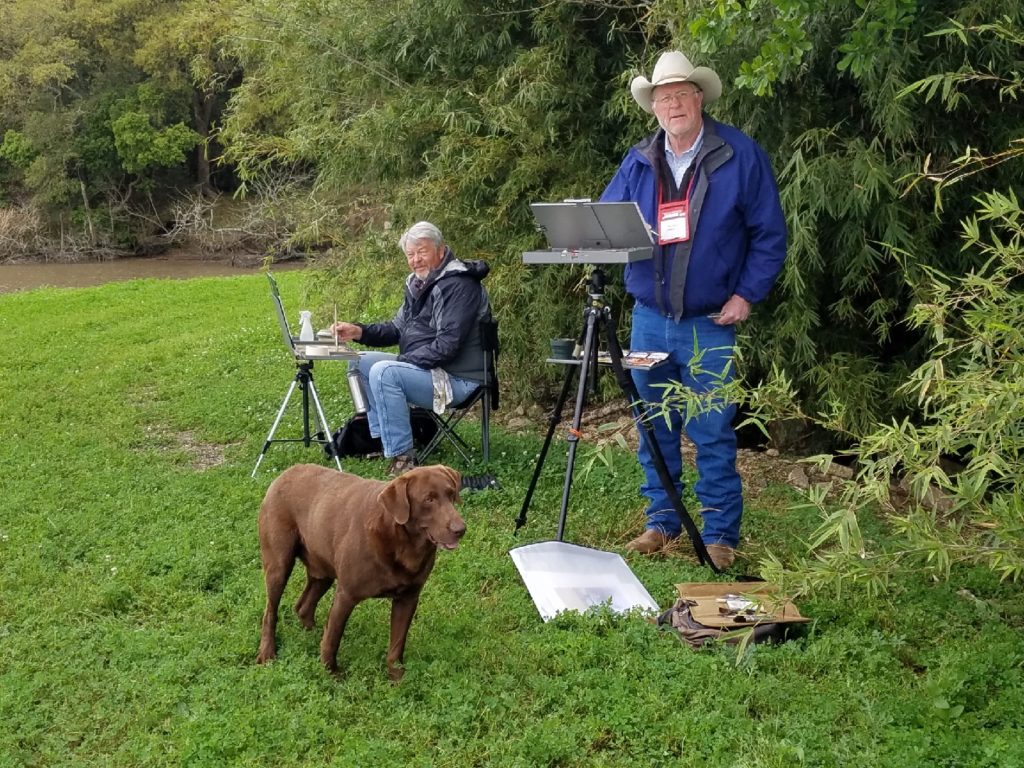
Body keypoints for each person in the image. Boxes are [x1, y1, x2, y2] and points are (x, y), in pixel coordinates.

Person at [600, 51, 787, 568]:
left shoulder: (739, 154)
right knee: (653, 426)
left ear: (699, 98)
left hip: (710, 322)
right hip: (649, 319)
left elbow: (770, 235)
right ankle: (662, 520)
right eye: (664, 97)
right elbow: (607, 221)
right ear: (653, 107)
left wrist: (746, 294)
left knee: (711, 429)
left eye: (682, 94)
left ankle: (721, 533)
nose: (674, 104)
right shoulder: (638, 160)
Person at [331, 221, 491, 476]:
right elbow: (397, 328)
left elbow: (447, 347)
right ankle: (383, 440)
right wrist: (358, 331)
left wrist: (404, 362)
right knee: (359, 362)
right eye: (410, 254)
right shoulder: (419, 284)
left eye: (422, 252)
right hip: (428, 369)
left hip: (458, 379)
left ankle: (403, 459)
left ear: (440, 251)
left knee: (385, 372)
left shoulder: (459, 286)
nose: (415, 260)